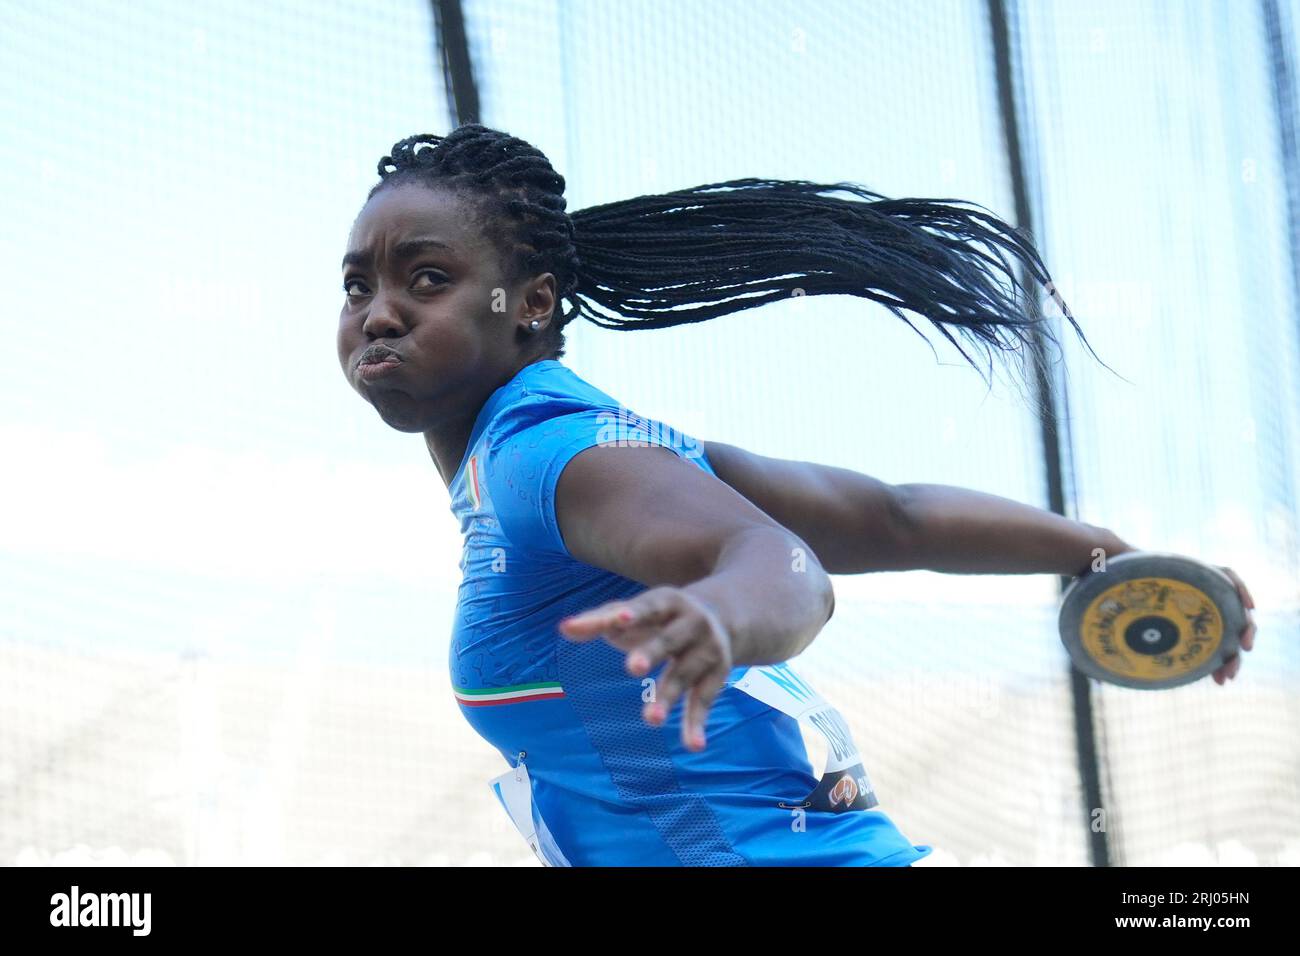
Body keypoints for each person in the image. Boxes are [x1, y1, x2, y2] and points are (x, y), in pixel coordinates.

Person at [337, 125, 1257, 866]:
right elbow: (890, 518)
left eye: (427, 279)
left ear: (529, 304)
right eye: (357, 284)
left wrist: (725, 617)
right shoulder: (596, 444)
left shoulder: (547, 458)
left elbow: (788, 569)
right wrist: (1098, 549)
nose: (379, 311)